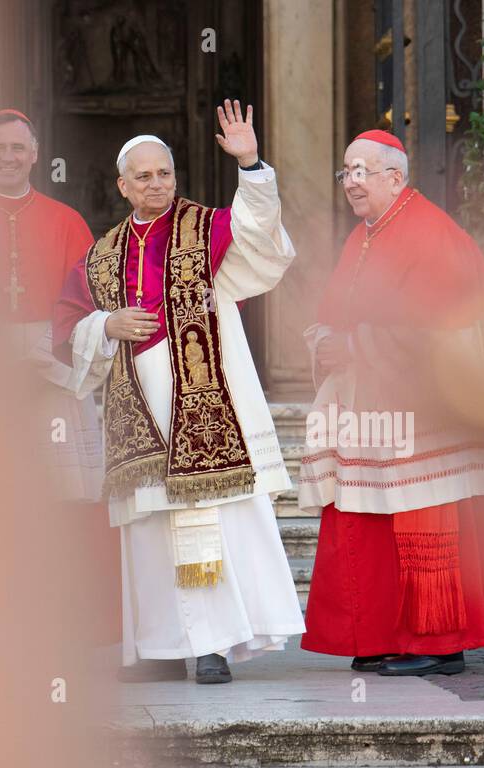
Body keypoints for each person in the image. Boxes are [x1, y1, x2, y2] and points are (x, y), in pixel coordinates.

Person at [53, 100, 303, 685]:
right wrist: (105, 325)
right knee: (147, 528)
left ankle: (212, 646)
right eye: (144, 175)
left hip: (203, 408)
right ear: (122, 185)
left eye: (165, 173)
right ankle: (160, 647)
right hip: (137, 414)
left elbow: (263, 243)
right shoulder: (100, 255)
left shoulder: (206, 227)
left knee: (203, 519)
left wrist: (251, 167)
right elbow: (64, 329)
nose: (157, 184)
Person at [298, 129, 484, 677]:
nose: (350, 182)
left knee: (423, 517)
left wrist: (353, 344)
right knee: (367, 520)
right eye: (345, 172)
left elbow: (440, 333)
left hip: (424, 408)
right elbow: (337, 309)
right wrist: (325, 339)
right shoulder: (366, 235)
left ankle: (438, 643)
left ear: (394, 178)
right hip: (369, 407)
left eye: (360, 172)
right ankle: (378, 634)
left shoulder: (431, 234)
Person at [0, 108, 119, 644]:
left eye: (18, 148)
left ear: (35, 154)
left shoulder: (66, 220)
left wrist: (45, 363)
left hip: (55, 364)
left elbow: (92, 303)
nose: (8, 157)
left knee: (60, 499)